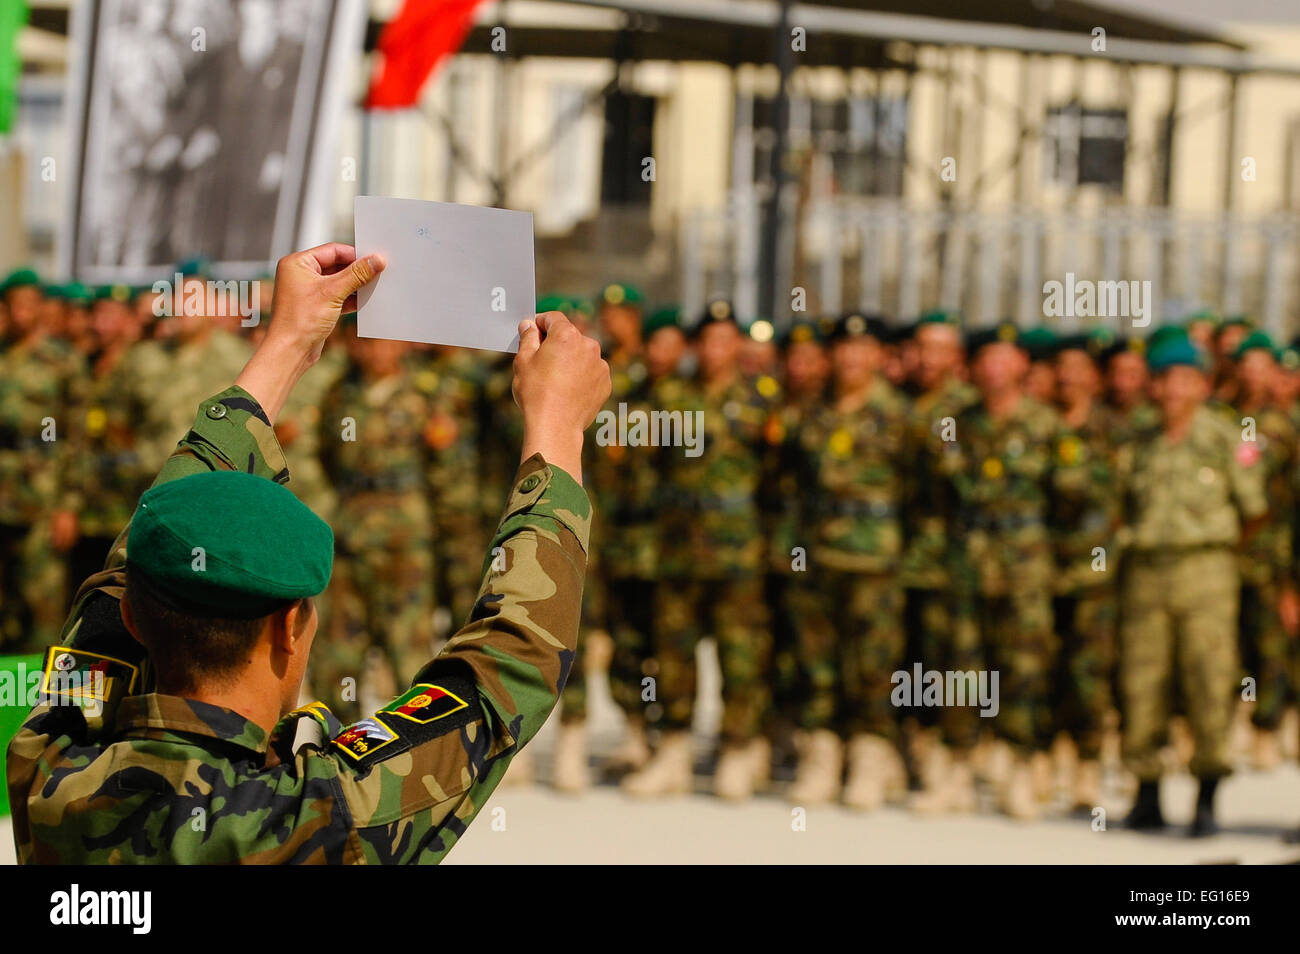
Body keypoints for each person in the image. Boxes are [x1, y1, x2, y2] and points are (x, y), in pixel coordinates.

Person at [6, 243, 610, 864]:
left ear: (133, 617)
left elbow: (141, 554)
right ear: (289, 631)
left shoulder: (51, 758)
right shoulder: (324, 813)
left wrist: (287, 344)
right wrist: (558, 427)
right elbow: (508, 662)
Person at [623, 299, 778, 800]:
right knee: (674, 653)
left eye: (725, 340)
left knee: (740, 653)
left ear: (738, 346)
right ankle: (674, 749)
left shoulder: (761, 401)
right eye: (707, 340)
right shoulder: (669, 396)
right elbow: (639, 461)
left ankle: (737, 747)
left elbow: (778, 478)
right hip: (678, 547)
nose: (715, 350)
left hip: (738, 551)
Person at [1116, 328, 1265, 837]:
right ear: (1152, 387)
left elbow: (1254, 510)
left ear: (1203, 385)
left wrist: (1219, 550)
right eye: (1165, 380)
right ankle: (1148, 792)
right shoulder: (1136, 440)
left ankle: (1206, 795)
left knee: (1209, 680)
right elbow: (1118, 508)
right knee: (1142, 683)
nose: (1174, 390)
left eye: (1186, 379)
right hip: (1145, 571)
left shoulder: (1225, 436)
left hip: (1206, 570)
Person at [784, 313, 909, 810]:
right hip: (818, 555)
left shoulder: (901, 417)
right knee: (817, 661)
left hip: (876, 558)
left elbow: (925, 492)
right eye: (844, 348)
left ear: (880, 356)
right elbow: (792, 485)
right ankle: (822, 754)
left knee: (874, 665)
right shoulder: (811, 413)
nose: (852, 359)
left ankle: (870, 757)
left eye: (863, 349)